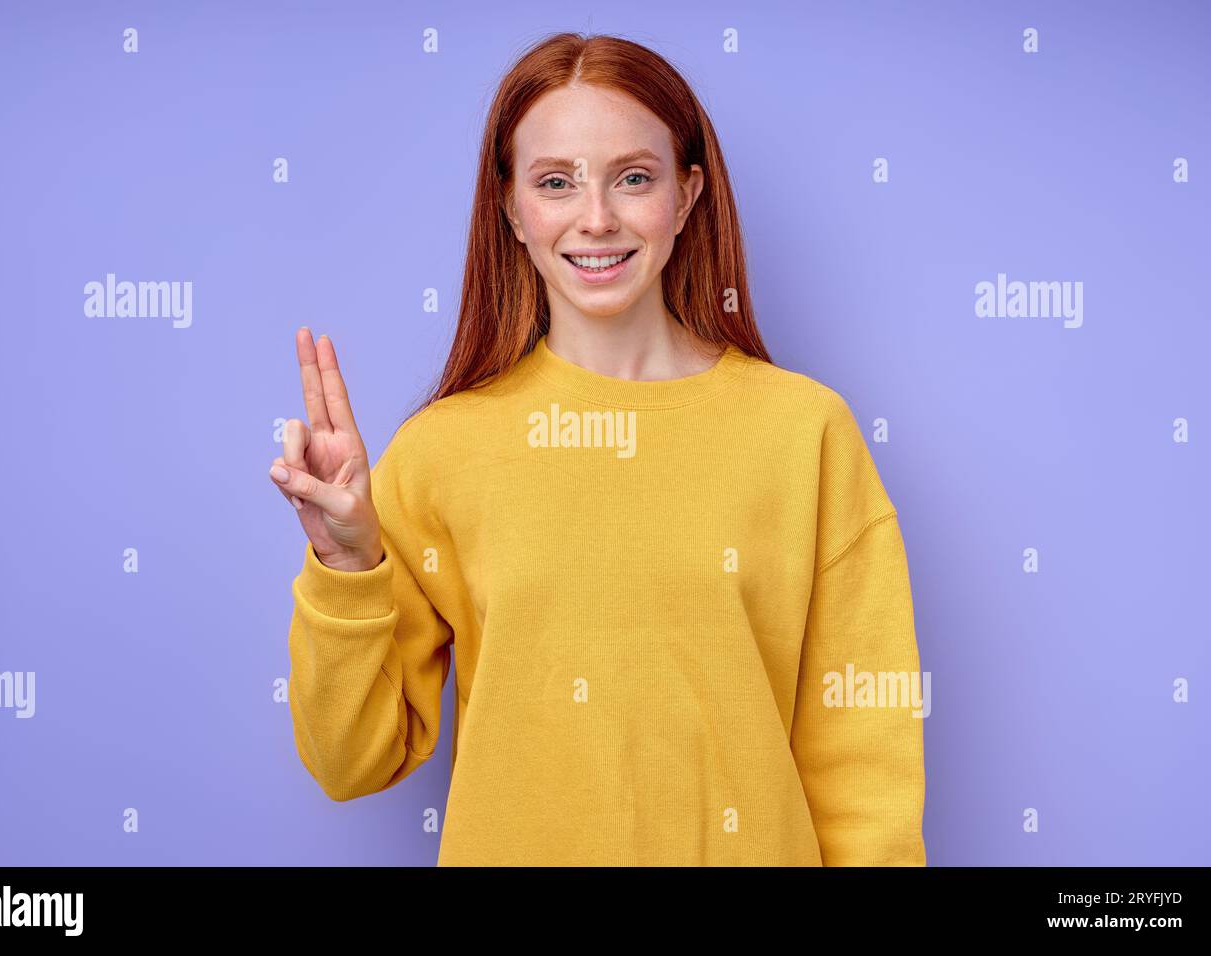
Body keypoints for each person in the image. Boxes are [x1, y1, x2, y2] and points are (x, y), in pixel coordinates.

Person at [269, 32, 926, 866]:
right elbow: (350, 761)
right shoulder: (442, 451)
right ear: (509, 207)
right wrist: (347, 564)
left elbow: (865, 767)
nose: (597, 218)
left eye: (634, 178)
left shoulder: (805, 433)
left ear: (686, 196)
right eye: (555, 182)